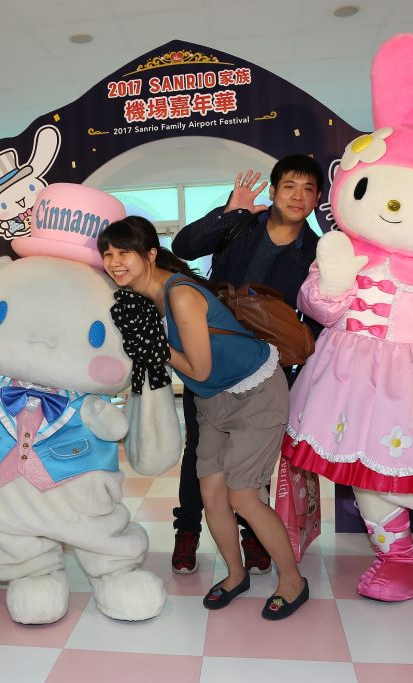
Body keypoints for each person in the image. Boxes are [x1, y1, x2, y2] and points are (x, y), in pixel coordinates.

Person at [99, 216, 309, 620]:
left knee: (242, 495)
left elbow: (197, 369)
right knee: (211, 493)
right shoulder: (141, 299)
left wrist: (155, 345)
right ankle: (235, 574)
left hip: (256, 393)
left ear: (150, 254)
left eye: (124, 252)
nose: (114, 262)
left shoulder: (180, 295)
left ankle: (292, 579)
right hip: (213, 401)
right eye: (108, 254)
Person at [168, 156, 324, 574]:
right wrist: (232, 210)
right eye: (289, 185)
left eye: (308, 189)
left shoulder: (315, 252)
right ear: (272, 191)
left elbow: (316, 316)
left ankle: (252, 534)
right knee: (199, 450)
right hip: (210, 355)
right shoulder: (242, 225)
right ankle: (188, 530)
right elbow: (183, 247)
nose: (297, 195)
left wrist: (303, 369)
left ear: (316, 200)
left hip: (267, 367)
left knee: (253, 457)